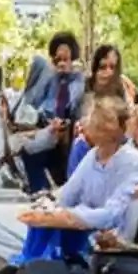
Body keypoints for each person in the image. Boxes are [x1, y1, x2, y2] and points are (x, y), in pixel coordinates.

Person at [16, 97, 138, 261]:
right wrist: (47, 209)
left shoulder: (136, 163)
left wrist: (67, 216)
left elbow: (112, 215)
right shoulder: (92, 156)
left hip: (121, 245)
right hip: (90, 235)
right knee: (42, 225)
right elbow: (68, 195)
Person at [20, 32, 87, 192]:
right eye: (58, 59)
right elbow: (35, 102)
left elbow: (73, 104)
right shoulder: (51, 79)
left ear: (72, 59)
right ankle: (41, 191)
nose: (62, 63)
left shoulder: (79, 80)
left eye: (65, 59)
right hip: (48, 129)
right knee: (28, 150)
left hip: (68, 130)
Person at [66, 45, 138, 175]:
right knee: (80, 144)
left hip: (116, 140)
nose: (108, 72)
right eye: (103, 67)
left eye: (112, 67)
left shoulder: (122, 88)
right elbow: (77, 116)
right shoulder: (83, 88)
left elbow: (129, 120)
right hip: (89, 138)